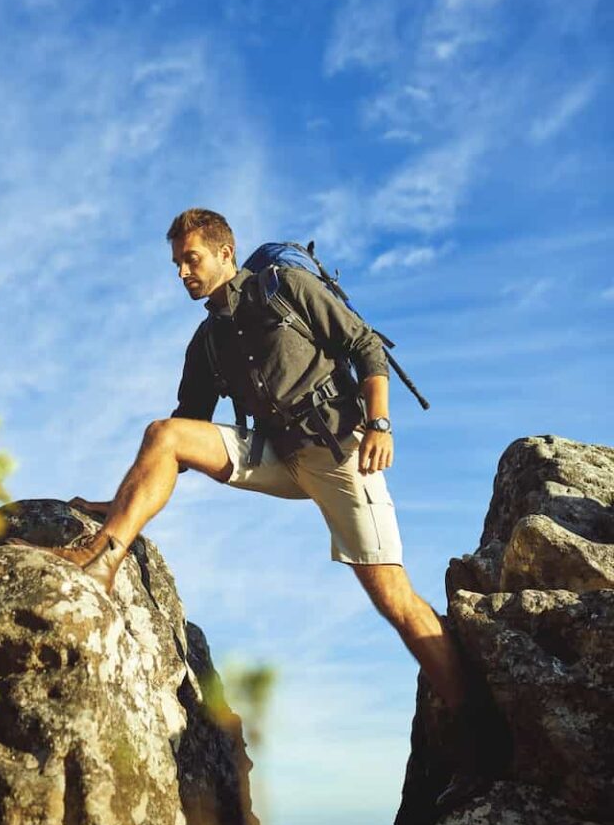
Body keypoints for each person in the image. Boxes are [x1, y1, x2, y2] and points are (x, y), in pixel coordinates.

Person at [36, 207, 469, 717]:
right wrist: (121, 503)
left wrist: (379, 424)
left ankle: (475, 719)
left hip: (339, 451)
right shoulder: (207, 342)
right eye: (176, 263)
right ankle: (103, 558)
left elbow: (364, 344)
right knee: (165, 433)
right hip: (276, 455)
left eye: (190, 259)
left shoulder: (283, 287)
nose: (181, 273)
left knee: (394, 600)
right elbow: (182, 434)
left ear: (225, 253)